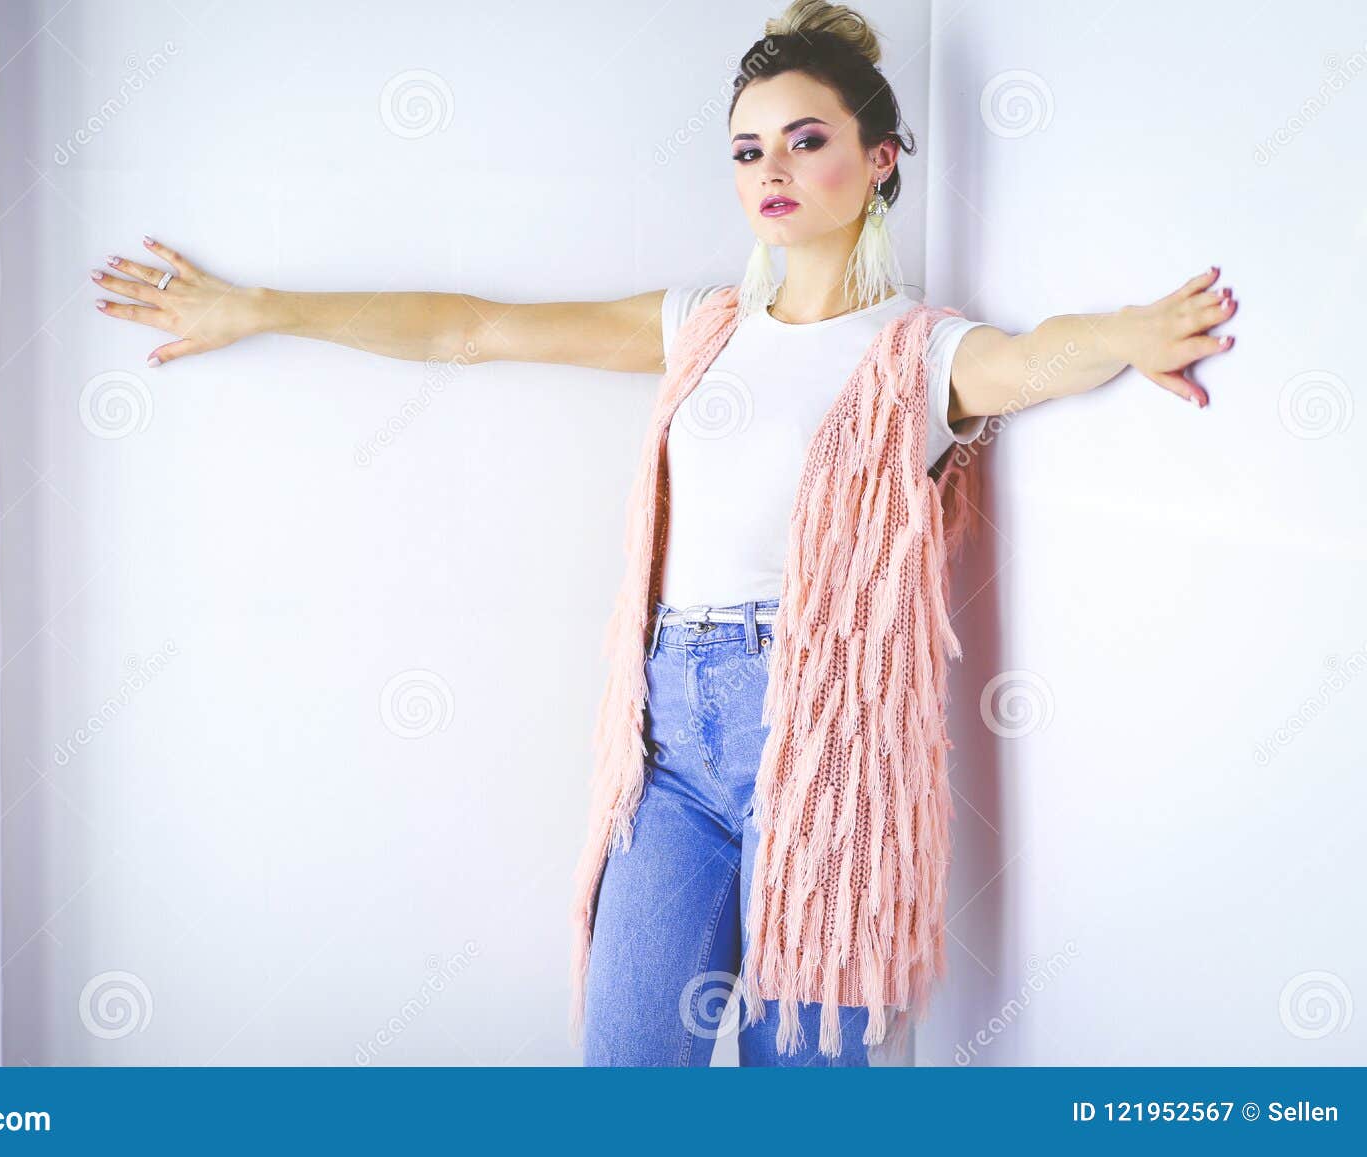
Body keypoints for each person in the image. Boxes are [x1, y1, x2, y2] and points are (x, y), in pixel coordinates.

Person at [92, 0, 1236, 1069]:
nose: (771, 170)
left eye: (804, 141)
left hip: (823, 742)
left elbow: (1034, 356)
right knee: (629, 1066)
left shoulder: (917, 351)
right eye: (747, 150)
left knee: (806, 1079)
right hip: (665, 743)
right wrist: (258, 309)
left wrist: (1129, 332)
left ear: (880, 158)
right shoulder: (703, 328)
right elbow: (474, 328)